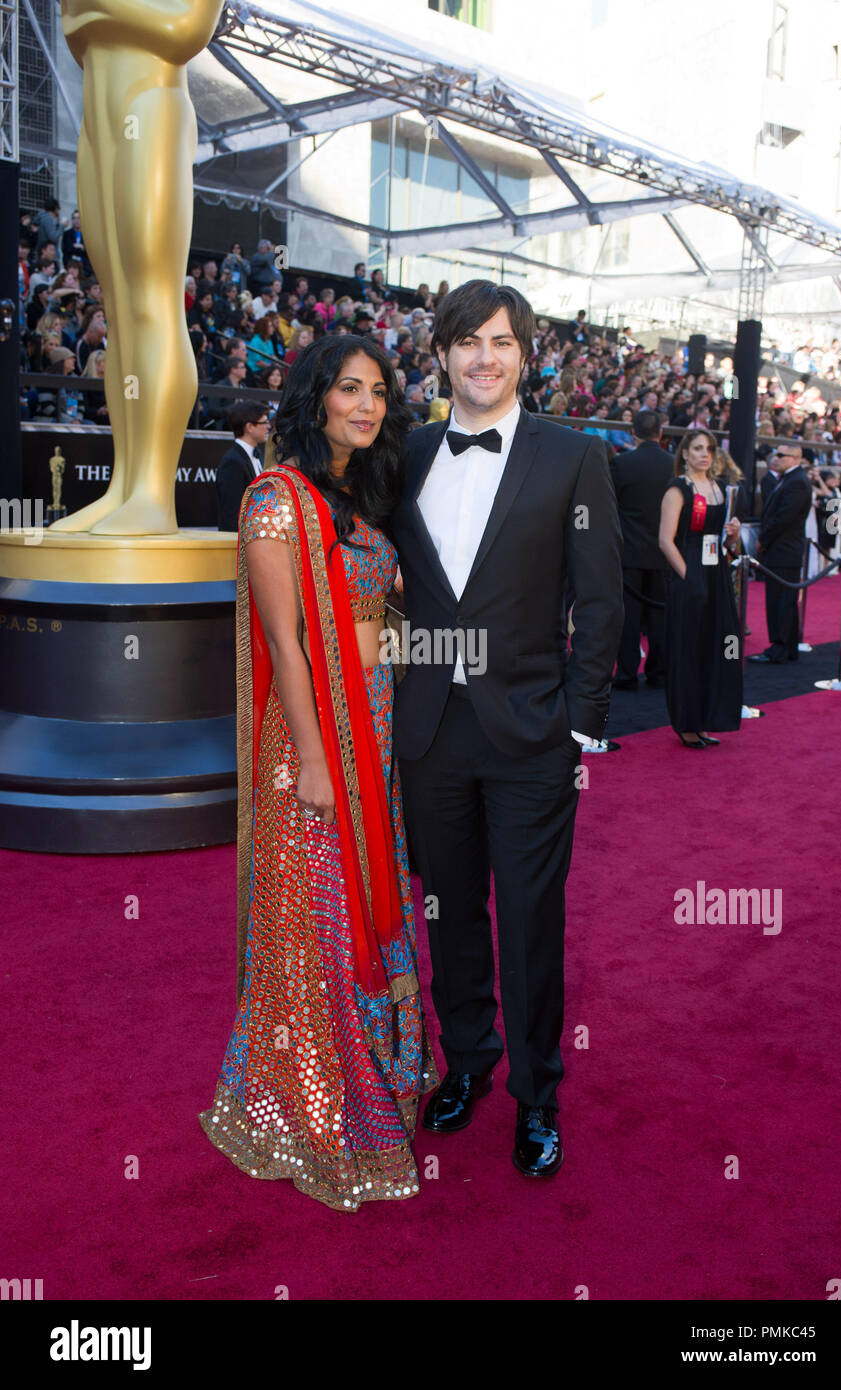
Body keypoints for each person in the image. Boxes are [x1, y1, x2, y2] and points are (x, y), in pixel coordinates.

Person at [389, 280, 623, 1179]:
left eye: (501, 342)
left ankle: (536, 1094)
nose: (483, 358)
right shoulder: (404, 453)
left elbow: (601, 598)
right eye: (466, 342)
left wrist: (582, 721)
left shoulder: (571, 457)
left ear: (526, 355)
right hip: (431, 730)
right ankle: (467, 1064)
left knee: (529, 920)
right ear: (441, 354)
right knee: (446, 915)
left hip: (531, 734)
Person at [200, 334, 437, 1210]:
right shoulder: (274, 500)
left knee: (362, 910)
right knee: (318, 925)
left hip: (372, 734)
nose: (367, 405)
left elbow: (392, 611)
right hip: (313, 747)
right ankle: (310, 1108)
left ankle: (364, 1086)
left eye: (378, 390)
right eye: (349, 389)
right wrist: (310, 759)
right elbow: (286, 646)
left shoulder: (359, 499)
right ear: (316, 398)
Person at [658, 429, 742, 747]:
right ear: (685, 454)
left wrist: (732, 534)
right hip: (688, 571)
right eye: (697, 448)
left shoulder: (719, 488)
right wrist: (687, 576)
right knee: (688, 648)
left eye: (709, 448)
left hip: (716, 570)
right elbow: (665, 540)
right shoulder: (678, 489)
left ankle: (706, 718)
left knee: (714, 646)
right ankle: (686, 722)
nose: (704, 454)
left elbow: (722, 539)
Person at [610, 409, 674, 690]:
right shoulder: (674, 465)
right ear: (660, 433)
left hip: (629, 553)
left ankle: (626, 674)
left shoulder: (622, 463)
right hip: (664, 552)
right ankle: (657, 673)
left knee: (628, 618)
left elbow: (609, 506)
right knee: (660, 616)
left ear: (632, 432)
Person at [747, 443, 812, 664]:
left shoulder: (797, 482)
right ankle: (786, 647)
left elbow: (784, 517)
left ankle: (781, 647)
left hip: (783, 550)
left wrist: (763, 540)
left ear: (795, 459)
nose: (776, 458)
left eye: (781, 455)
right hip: (783, 550)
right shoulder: (791, 480)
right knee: (783, 600)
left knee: (781, 601)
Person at [215, 402, 270, 530]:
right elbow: (231, 513)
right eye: (264, 422)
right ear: (250, 427)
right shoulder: (232, 462)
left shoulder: (258, 455)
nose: (268, 427)